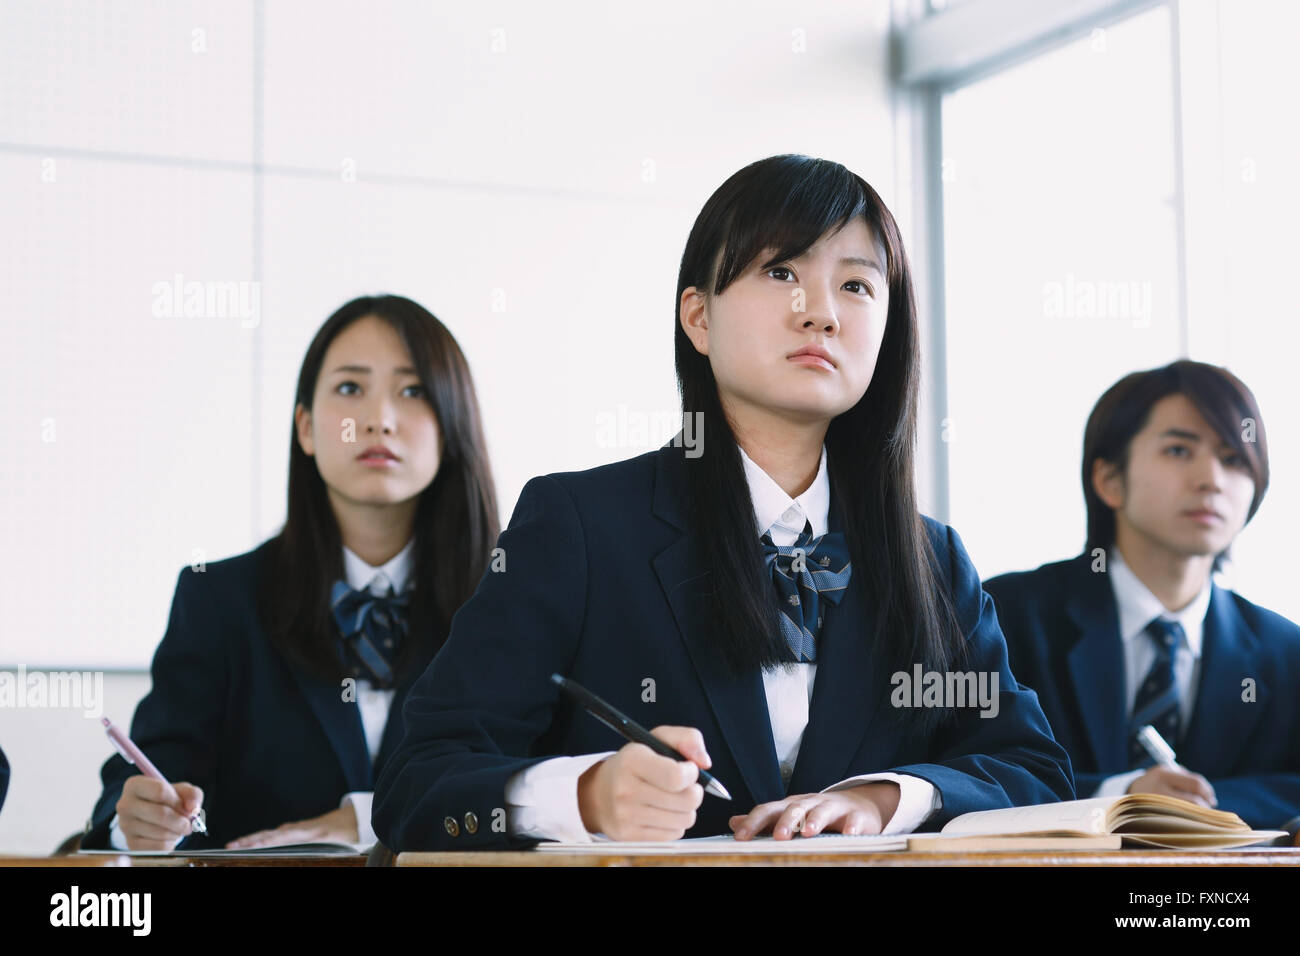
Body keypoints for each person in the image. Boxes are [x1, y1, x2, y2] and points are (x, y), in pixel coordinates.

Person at [373, 154, 1074, 851]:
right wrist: (585, 796)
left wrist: (886, 797)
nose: (822, 313)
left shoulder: (933, 561)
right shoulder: (579, 527)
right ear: (699, 318)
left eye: (857, 285)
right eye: (781, 272)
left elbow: (1033, 773)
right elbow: (417, 784)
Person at [81, 295, 498, 850]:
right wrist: (134, 817)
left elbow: (542, 791)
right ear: (305, 428)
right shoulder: (218, 599)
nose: (379, 419)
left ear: (453, 425)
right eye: (351, 388)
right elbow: (152, 770)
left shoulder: (508, 603)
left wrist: (372, 817)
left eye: (413, 390)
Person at [985, 360, 1300, 830]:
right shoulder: (1005, 617)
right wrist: (1121, 797)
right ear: (1109, 480)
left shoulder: (1286, 652)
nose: (1211, 480)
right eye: (1178, 450)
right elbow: (969, 772)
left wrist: (1197, 808)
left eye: (1233, 458)